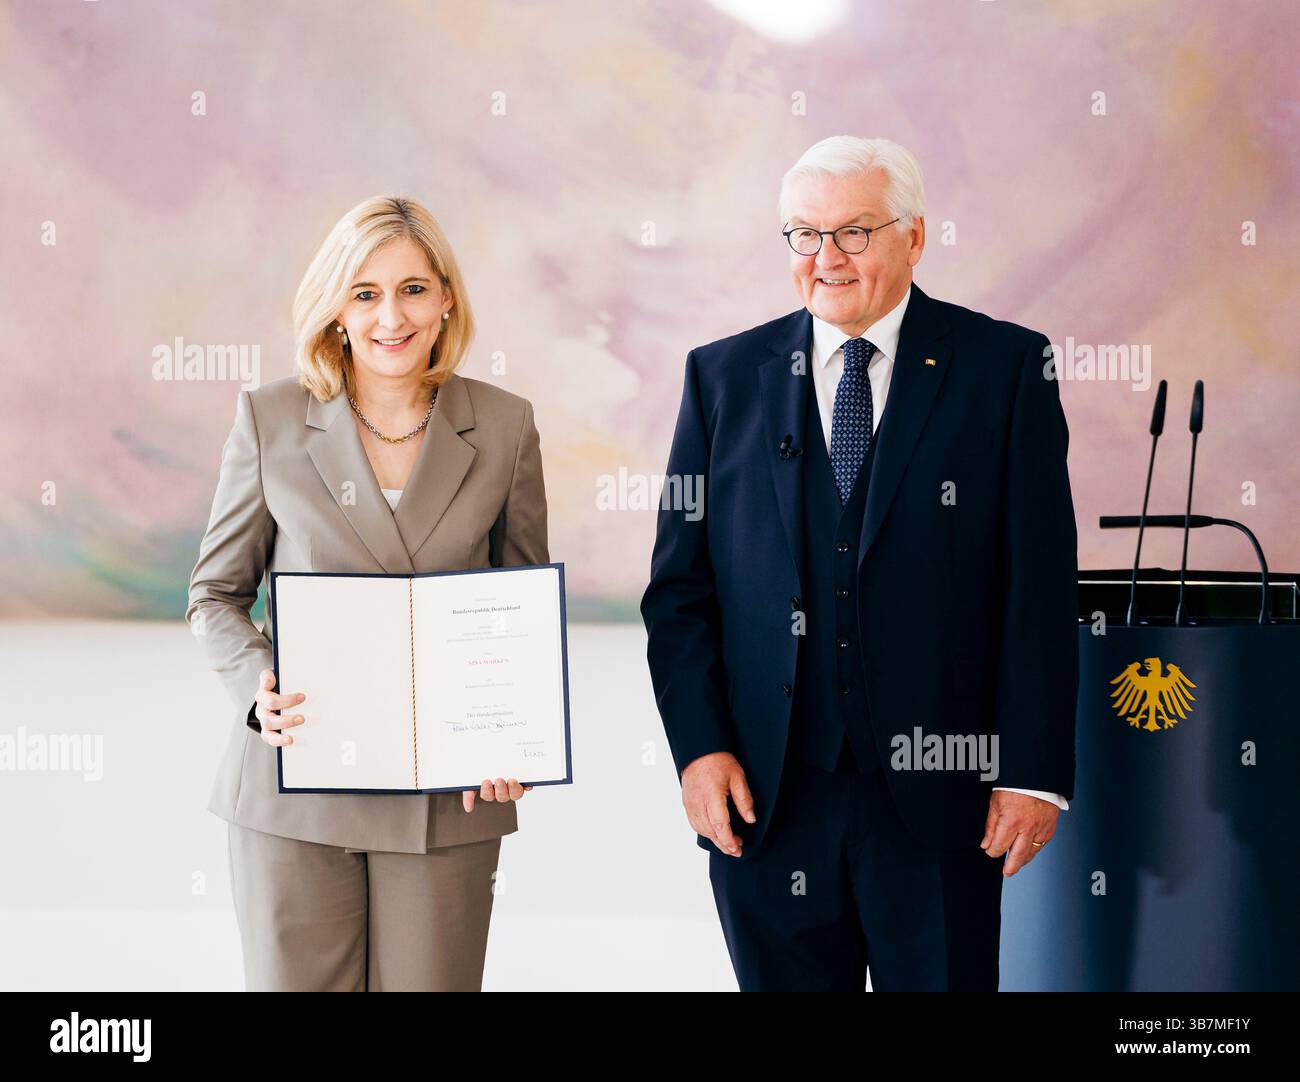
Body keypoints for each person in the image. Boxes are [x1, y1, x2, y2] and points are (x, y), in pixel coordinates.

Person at [640, 136, 1078, 991]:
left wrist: (1032, 774)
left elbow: (1039, 591)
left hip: (943, 803)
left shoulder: (1007, 369)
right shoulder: (721, 377)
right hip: (766, 803)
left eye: (854, 232)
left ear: (914, 237)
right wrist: (698, 751)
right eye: (804, 234)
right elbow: (680, 594)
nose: (826, 258)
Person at [187, 194, 548, 991]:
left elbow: (518, 606)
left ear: (447, 297)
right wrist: (258, 686)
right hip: (295, 789)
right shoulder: (270, 417)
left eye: (414, 288)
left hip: (446, 795)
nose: (393, 314)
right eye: (366, 292)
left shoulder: (506, 426)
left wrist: (514, 734)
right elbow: (215, 594)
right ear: (336, 309)